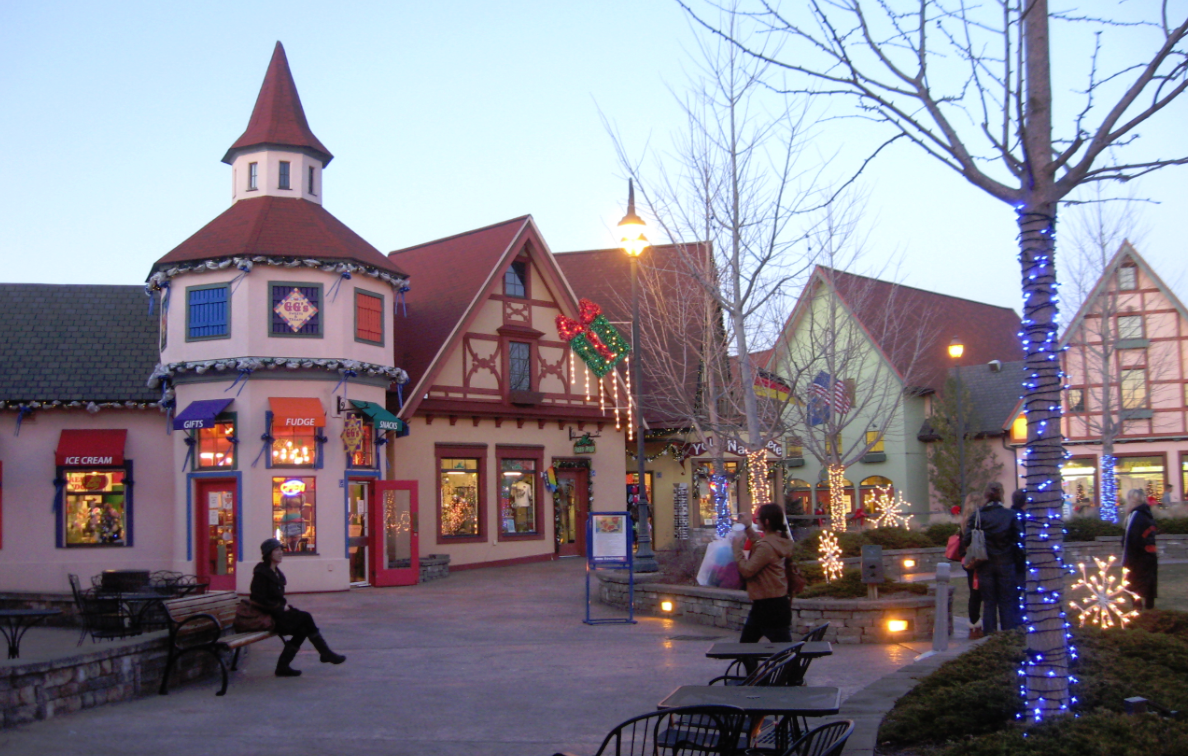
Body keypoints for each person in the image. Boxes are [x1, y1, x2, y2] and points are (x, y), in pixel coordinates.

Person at [251, 538, 347, 677]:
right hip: (268, 617)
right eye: (276, 550)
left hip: (278, 614)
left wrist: (285, 607)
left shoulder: (276, 572)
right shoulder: (261, 574)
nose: (280, 553)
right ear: (268, 554)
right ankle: (325, 653)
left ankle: (283, 667)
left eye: (281, 550)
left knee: (302, 629)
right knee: (305, 617)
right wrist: (279, 608)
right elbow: (257, 599)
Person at [732, 503, 797, 673]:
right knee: (750, 647)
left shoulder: (766, 547)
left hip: (769, 606)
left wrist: (736, 550)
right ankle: (762, 679)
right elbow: (761, 543)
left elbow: (747, 570)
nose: (755, 520)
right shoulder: (778, 541)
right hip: (773, 603)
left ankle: (789, 679)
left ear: (766, 522)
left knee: (778, 649)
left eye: (758, 518)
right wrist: (747, 528)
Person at [961, 481, 1023, 634]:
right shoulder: (1010, 515)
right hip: (1006, 562)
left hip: (984, 563)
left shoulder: (978, 516)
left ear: (986, 495)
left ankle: (990, 639)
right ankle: (1008, 637)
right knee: (1006, 602)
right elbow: (1020, 539)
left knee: (989, 603)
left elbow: (966, 539)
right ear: (1001, 495)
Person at [1122, 488, 1158, 610]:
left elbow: (1131, 539)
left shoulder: (1136, 516)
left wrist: (1128, 560)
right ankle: (1148, 610)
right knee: (1147, 584)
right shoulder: (1146, 514)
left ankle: (1139, 610)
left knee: (1133, 585)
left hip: (1137, 557)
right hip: (1148, 555)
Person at [958, 497, 983, 637]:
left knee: (974, 592)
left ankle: (974, 621)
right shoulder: (978, 520)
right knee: (982, 592)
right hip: (979, 557)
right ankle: (980, 622)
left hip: (968, 560)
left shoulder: (964, 521)